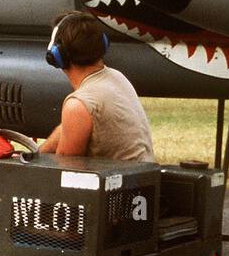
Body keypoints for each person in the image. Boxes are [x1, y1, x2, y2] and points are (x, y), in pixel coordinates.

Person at [38, 10, 155, 162]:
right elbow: (68, 128)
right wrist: (39, 153)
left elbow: (64, 168)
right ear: (103, 44)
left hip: (121, 184)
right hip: (140, 179)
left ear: (56, 54)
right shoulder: (116, 77)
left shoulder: (78, 104)